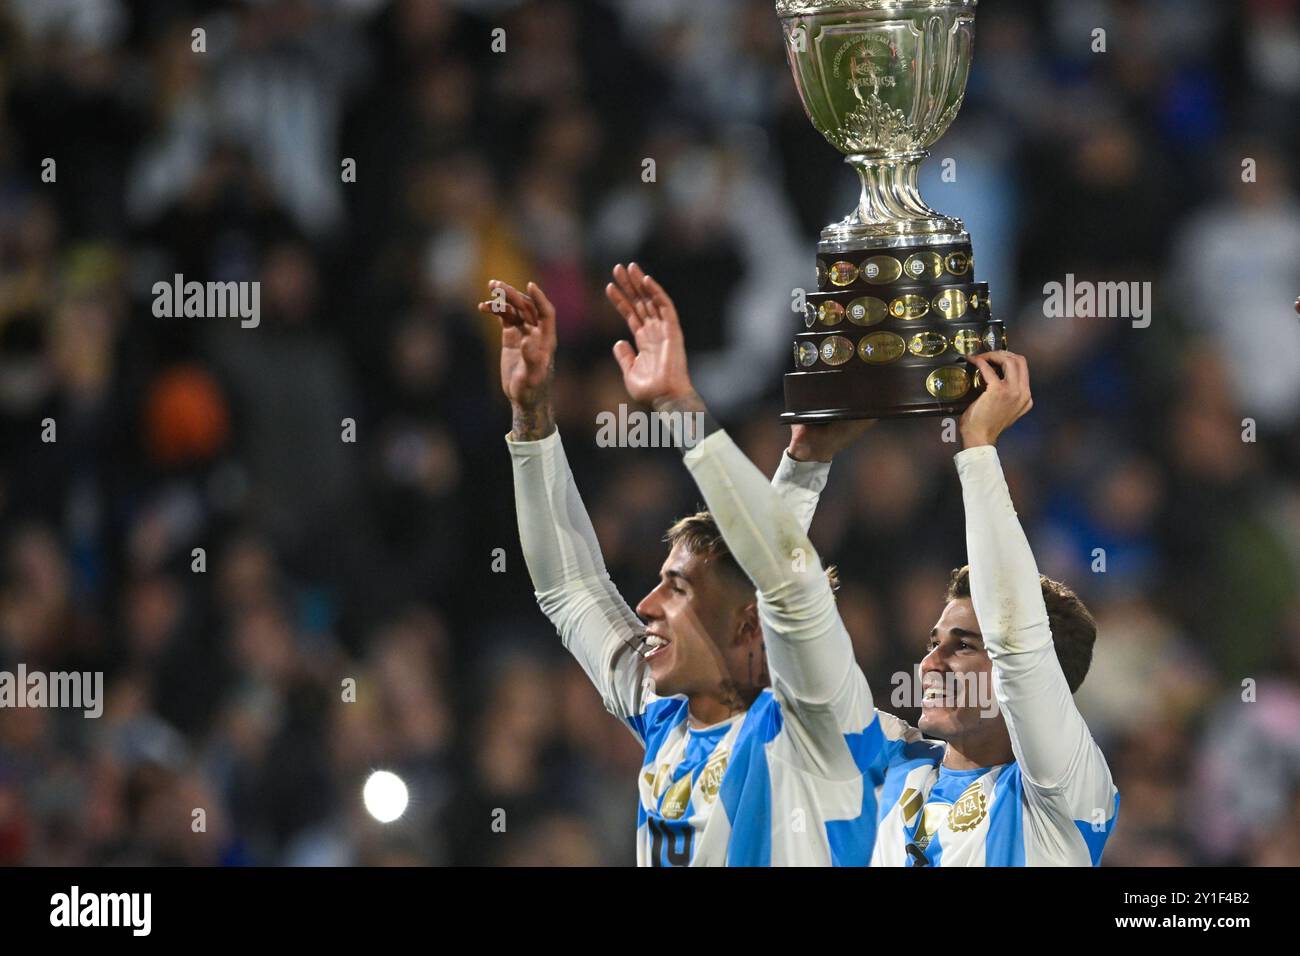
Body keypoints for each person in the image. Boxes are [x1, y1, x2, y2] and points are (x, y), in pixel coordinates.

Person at [599, 267, 1121, 867]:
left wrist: (977, 448)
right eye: (934, 641)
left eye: (963, 645)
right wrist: (800, 462)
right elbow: (778, 605)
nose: (930, 663)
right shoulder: (881, 761)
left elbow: (1019, 642)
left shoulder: (1064, 796)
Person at [482, 265, 878, 865]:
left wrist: (681, 407)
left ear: (747, 624)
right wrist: (532, 414)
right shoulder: (663, 712)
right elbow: (570, 586)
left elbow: (786, 583)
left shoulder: (812, 720)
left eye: (677, 589)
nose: (645, 606)